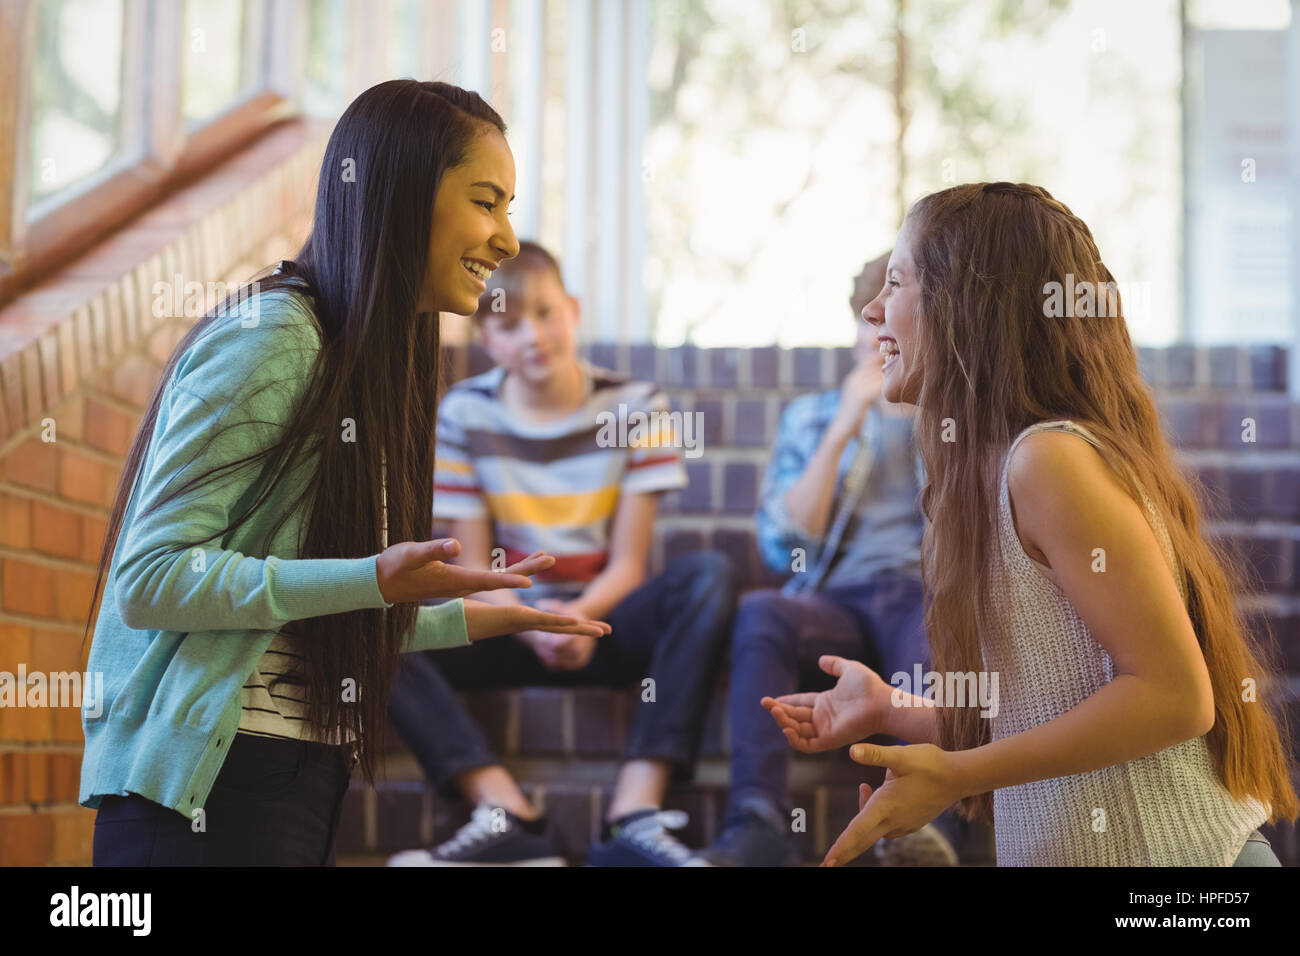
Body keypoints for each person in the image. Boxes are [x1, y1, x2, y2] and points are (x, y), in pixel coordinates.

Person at [82, 80, 610, 867]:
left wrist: (477, 616)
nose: (505, 239)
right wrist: (371, 578)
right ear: (399, 192)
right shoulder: (278, 341)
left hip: (296, 779)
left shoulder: (368, 366)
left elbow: (318, 606)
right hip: (205, 795)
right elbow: (152, 579)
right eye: (486, 201)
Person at [766, 182, 1298, 866]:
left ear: (965, 305)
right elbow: (1053, 712)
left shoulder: (1048, 460)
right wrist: (889, 709)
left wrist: (955, 775)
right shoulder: (994, 472)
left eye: (895, 283)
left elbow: (1173, 698)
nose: (872, 310)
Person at [385, 240, 739, 867]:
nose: (533, 335)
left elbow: (630, 565)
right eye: (508, 323)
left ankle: (634, 814)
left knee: (707, 575)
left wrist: (573, 619)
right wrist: (532, 626)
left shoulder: (637, 406)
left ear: (573, 310)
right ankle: (506, 815)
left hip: (602, 620)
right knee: (380, 619)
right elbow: (476, 567)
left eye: (546, 313)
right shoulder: (466, 412)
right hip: (507, 621)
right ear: (486, 337)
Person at [692, 254, 958, 867]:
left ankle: (928, 828)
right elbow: (781, 546)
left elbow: (969, 538)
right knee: (761, 613)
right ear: (857, 329)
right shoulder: (810, 416)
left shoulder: (951, 415)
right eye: (873, 323)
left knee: (933, 631)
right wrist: (844, 426)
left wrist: (928, 415)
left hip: (922, 592)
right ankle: (756, 823)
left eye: (900, 324)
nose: (882, 338)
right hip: (834, 597)